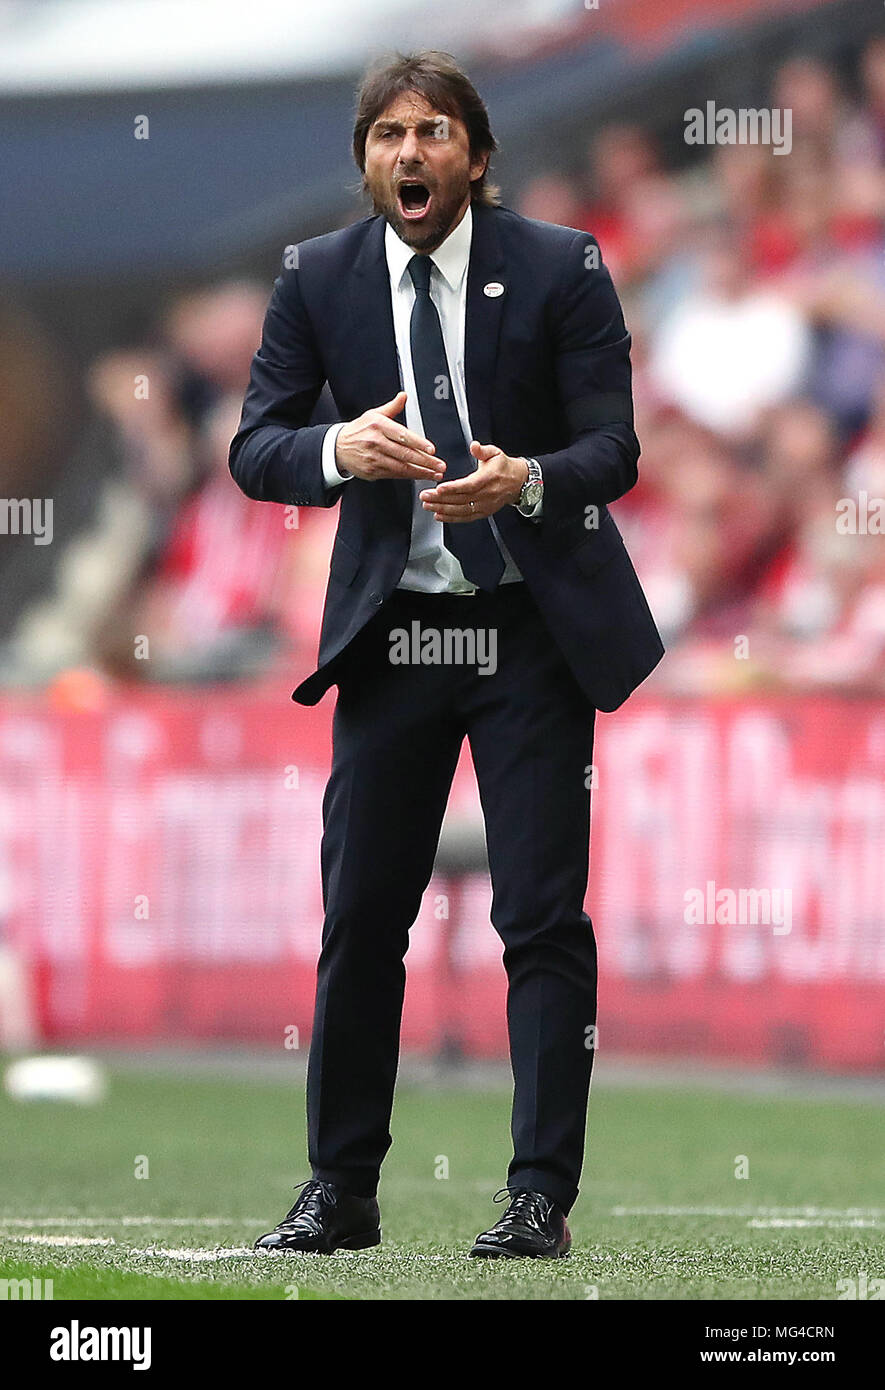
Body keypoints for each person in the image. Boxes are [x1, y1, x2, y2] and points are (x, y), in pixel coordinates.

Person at [229, 50, 664, 1259]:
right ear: (365, 159)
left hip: (526, 630)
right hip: (398, 633)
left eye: (431, 133)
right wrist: (335, 451)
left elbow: (614, 451)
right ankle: (340, 1189)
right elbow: (255, 445)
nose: (408, 155)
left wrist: (526, 481)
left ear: (475, 154)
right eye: (386, 136)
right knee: (364, 914)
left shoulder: (561, 264)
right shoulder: (317, 277)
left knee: (540, 916)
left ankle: (538, 1195)